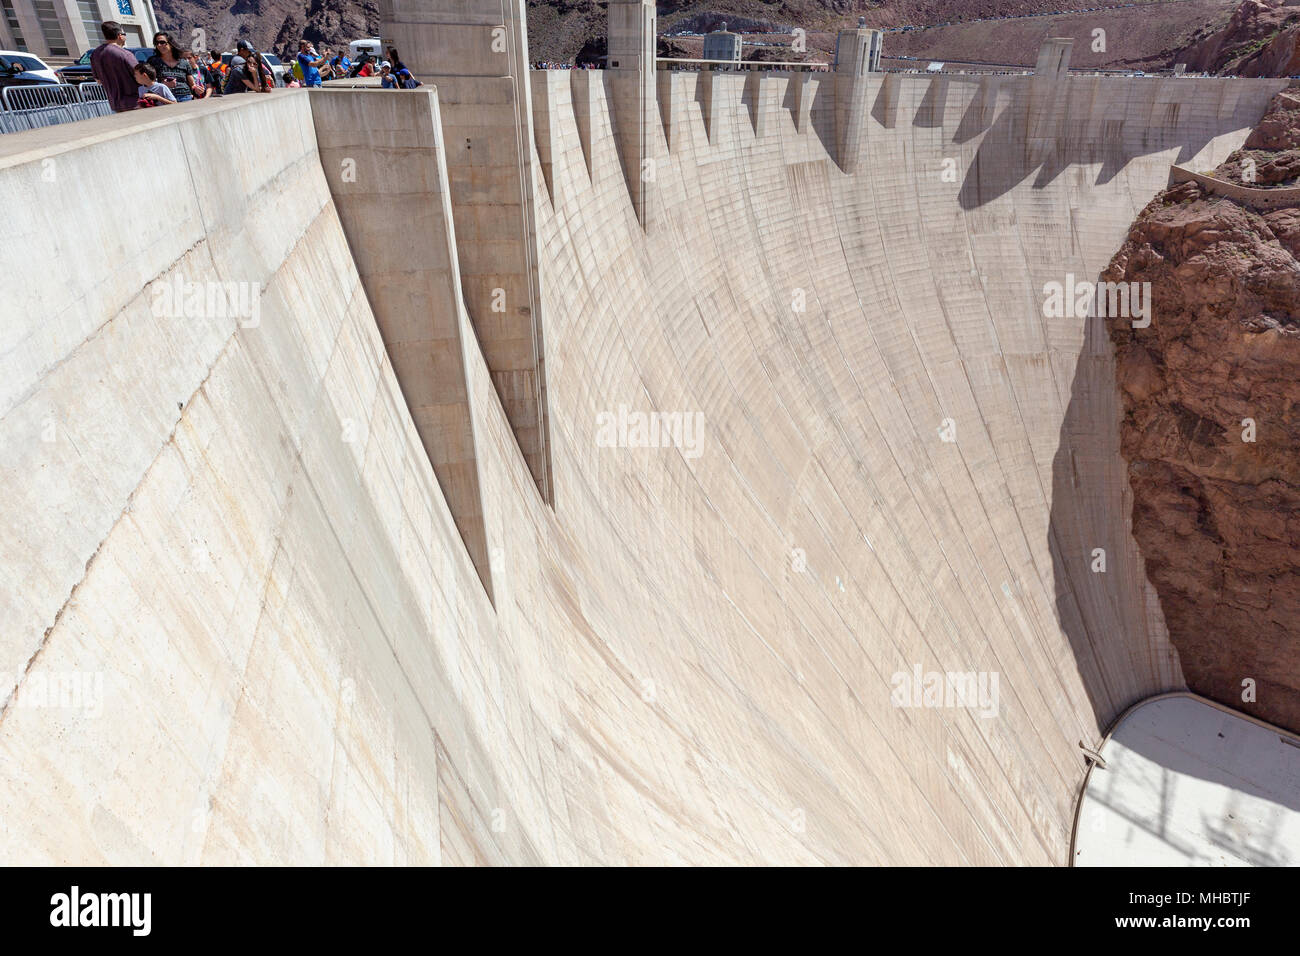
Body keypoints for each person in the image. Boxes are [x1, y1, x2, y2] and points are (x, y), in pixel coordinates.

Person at [89, 21, 140, 112]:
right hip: (135, 102)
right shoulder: (125, 54)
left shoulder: (95, 54)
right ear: (119, 35)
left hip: (115, 104)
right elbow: (141, 77)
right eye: (125, 34)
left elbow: (98, 80)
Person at [148, 31, 200, 103]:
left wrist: (197, 89)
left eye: (162, 42)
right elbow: (147, 83)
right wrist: (163, 85)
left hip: (185, 98)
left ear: (171, 44)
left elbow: (192, 84)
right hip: (164, 99)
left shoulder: (184, 62)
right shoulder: (153, 61)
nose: (159, 45)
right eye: (157, 43)